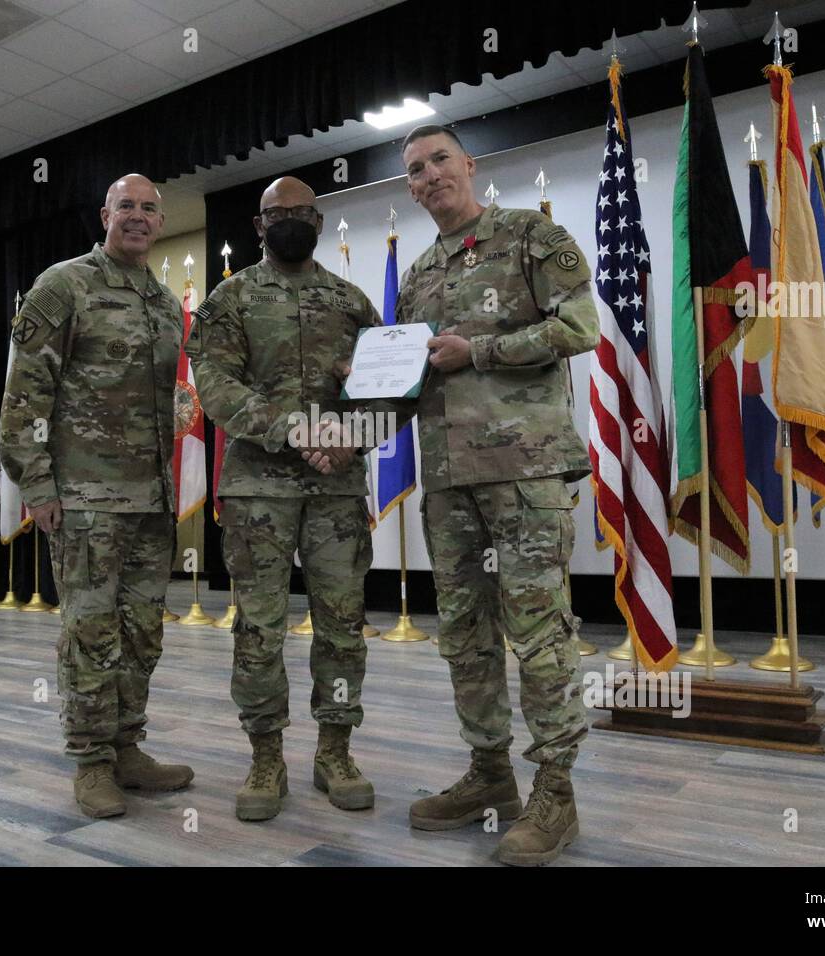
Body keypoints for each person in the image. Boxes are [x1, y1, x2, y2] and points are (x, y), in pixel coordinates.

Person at [350, 125, 597, 865]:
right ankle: (491, 774)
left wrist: (482, 349)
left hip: (525, 475)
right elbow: (409, 377)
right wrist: (342, 421)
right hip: (448, 481)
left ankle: (556, 791)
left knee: (539, 631)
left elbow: (581, 325)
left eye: (439, 162)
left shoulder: (529, 236)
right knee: (464, 634)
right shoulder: (421, 271)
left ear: (470, 165)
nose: (428, 176)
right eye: (415, 171)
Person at [186, 176, 383, 822]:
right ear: (258, 224)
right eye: (278, 214)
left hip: (336, 489)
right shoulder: (231, 298)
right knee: (259, 628)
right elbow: (213, 383)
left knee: (342, 624)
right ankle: (265, 754)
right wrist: (295, 429)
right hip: (257, 492)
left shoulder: (351, 301)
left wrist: (351, 437)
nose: (290, 221)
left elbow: (394, 382)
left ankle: (335, 750)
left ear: (319, 222)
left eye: (301, 213)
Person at [0, 173, 194, 819]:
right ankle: (89, 761)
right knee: (90, 632)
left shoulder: (165, 304)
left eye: (148, 209)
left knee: (141, 633)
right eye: (126, 206)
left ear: (159, 222)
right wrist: (36, 482)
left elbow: (172, 397)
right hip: (84, 501)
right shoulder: (65, 285)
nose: (137, 217)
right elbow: (25, 393)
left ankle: (127, 748)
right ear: (104, 212)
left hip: (152, 503)